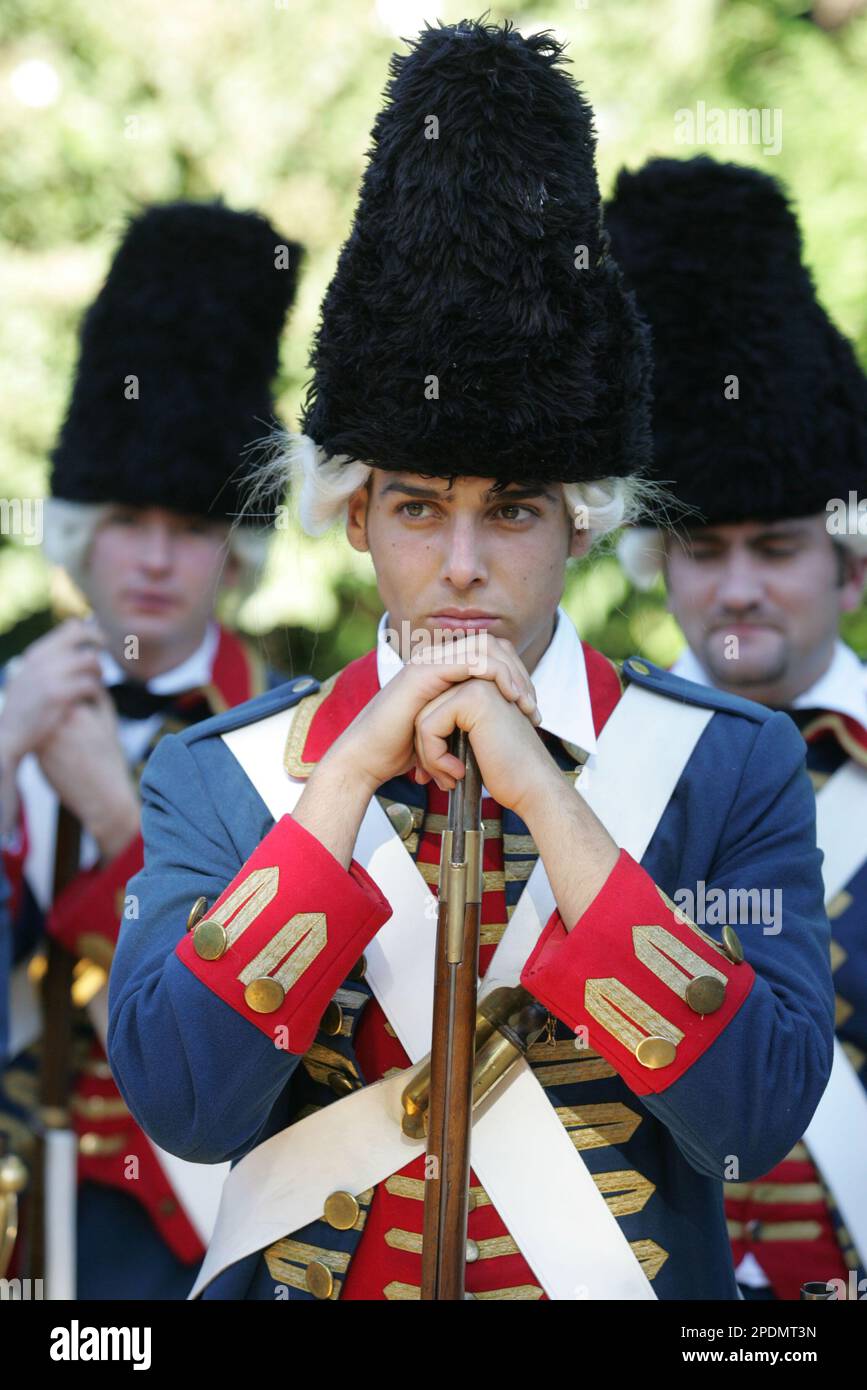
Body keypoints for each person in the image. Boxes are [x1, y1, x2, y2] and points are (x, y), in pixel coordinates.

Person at [109, 21, 834, 1302]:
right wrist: (333, 793)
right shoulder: (217, 776)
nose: (459, 563)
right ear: (354, 518)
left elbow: (753, 1121)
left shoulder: (731, 766)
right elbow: (184, 1102)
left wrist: (553, 799)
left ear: (579, 520)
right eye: (415, 508)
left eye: (510, 509)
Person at [0, 200, 301, 1298]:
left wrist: (121, 822)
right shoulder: (10, 699)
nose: (158, 560)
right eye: (132, 520)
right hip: (31, 1202)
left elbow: (267, 987)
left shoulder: (295, 726)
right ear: (85, 530)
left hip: (205, 1209)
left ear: (237, 552)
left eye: (191, 527)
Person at [608, 154, 867, 1299]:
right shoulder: (589, 765)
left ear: (849, 565)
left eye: (776, 548)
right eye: (703, 551)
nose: (737, 590)